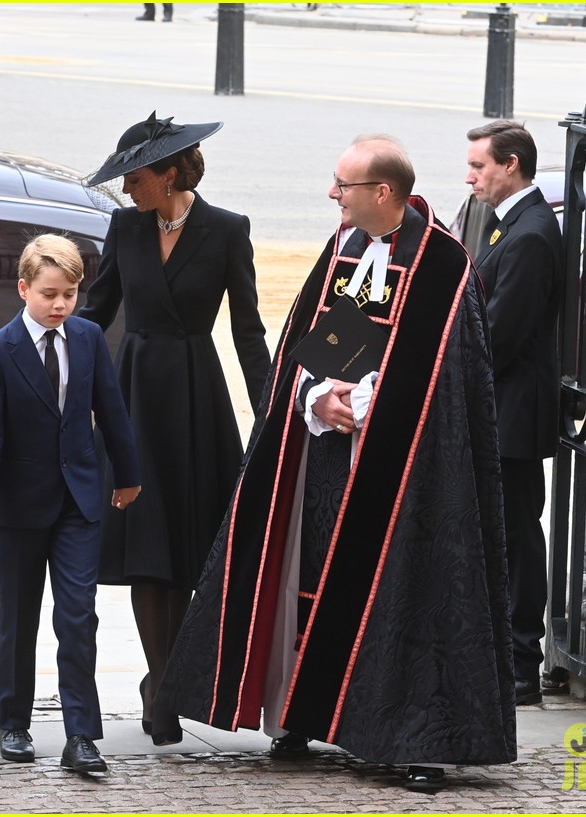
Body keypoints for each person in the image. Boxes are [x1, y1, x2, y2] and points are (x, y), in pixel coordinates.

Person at [158, 136, 516, 791]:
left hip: (406, 471)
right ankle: (300, 712)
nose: (332, 194)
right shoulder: (347, 246)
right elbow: (316, 339)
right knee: (312, 580)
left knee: (402, 589)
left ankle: (413, 736)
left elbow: (447, 375)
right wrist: (318, 396)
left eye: (343, 185)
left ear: (383, 192)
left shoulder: (442, 264)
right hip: (328, 453)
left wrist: (372, 399)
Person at [80, 111, 269, 745]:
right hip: (134, 396)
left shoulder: (227, 229)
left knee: (184, 551)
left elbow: (248, 331)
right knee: (146, 548)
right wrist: (43, 358)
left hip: (194, 398)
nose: (126, 189)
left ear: (167, 174)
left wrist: (270, 410)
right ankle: (161, 682)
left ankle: (166, 677)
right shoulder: (125, 227)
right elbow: (96, 312)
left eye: (134, 178)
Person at [0, 234, 142, 775]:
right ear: (23, 289)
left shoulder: (88, 338)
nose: (61, 304)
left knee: (78, 617)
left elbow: (110, 408)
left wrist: (128, 474)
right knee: (18, 618)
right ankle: (13, 724)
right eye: (49, 294)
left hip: (79, 501)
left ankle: (82, 735)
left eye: (70, 293)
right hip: (19, 506)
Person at [465, 120, 563, 706]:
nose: (470, 177)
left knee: (518, 536)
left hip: (515, 412)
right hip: (503, 406)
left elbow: (500, 334)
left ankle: (524, 662)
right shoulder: (509, 222)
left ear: (511, 165)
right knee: (502, 533)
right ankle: (507, 653)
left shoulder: (529, 233)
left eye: (478, 166)